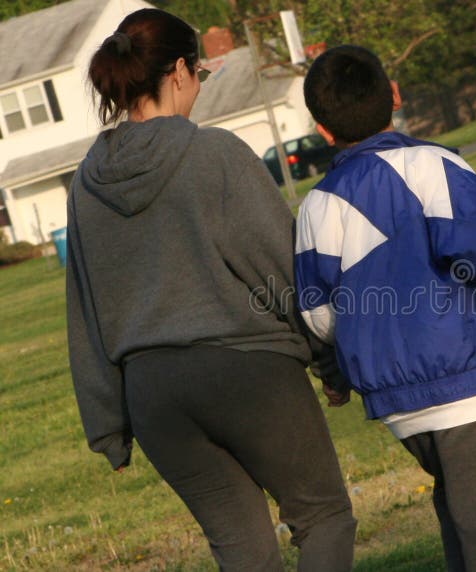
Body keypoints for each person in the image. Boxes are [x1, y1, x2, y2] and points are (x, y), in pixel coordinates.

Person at [66, 9, 356, 571]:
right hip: (247, 372)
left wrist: (107, 424)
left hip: (153, 396)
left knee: (241, 546)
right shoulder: (214, 153)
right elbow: (280, 266)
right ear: (178, 71)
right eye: (199, 73)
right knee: (323, 517)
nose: (198, 86)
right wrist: (329, 360)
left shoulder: (84, 184)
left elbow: (85, 308)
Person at [295, 45, 476, 571]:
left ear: (321, 130)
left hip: (395, 399)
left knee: (463, 522)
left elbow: (318, 316)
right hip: (462, 381)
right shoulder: (434, 164)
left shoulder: (315, 204)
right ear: (395, 95)